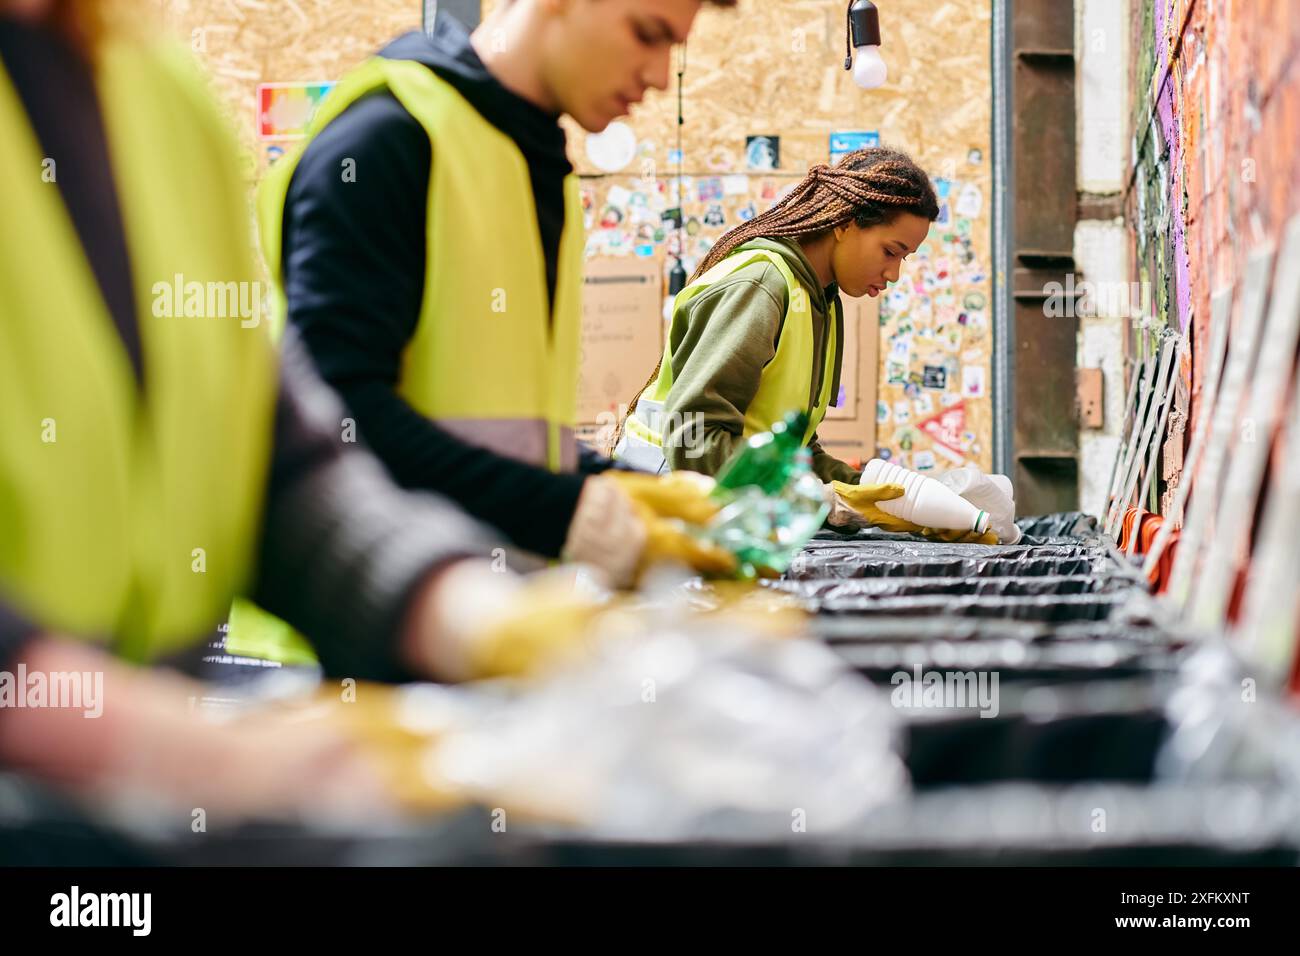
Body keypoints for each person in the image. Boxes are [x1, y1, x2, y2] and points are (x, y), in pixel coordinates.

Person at [0, 0, 613, 817]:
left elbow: (276, 459)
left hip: (121, 831)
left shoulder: (161, 101)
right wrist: (171, 750)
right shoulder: (388, 136)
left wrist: (462, 609)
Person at [255, 0, 736, 606]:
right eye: (647, 35)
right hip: (353, 641)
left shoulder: (534, 166)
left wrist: (619, 486)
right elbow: (338, 422)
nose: (662, 76)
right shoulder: (387, 137)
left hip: (490, 624)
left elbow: (507, 434)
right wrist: (569, 511)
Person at [614, 147, 938, 484]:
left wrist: (869, 491)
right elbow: (694, 438)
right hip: (662, 492)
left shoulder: (817, 299)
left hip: (718, 493)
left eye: (905, 258)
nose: (894, 273)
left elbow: (790, 451)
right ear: (845, 224)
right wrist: (800, 495)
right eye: (890, 252)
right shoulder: (761, 286)